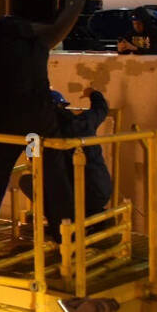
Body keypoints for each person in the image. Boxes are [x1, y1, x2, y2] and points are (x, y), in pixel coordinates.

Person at [0, 14, 71, 232]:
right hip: (42, 121)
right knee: (52, 175)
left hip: (9, 121)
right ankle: (65, 230)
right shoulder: (40, 46)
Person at [51, 88, 113, 220]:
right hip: (102, 191)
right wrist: (92, 93)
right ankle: (94, 218)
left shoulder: (48, 135)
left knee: (29, 181)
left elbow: (32, 159)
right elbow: (101, 108)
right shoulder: (85, 121)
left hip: (77, 197)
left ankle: (61, 223)